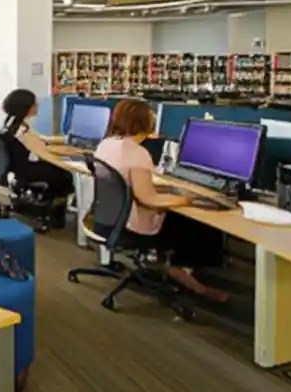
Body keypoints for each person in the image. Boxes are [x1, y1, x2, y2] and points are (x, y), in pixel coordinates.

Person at [94, 99, 228, 301]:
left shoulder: (106, 144)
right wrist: (186, 200)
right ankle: (185, 276)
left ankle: (179, 270)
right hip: (131, 227)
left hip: (107, 220)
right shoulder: (137, 153)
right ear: (144, 123)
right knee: (194, 220)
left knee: (181, 214)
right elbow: (149, 200)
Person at [0, 89, 74, 196]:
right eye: (34, 103)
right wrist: (66, 162)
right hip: (26, 169)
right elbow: (43, 153)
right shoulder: (21, 130)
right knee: (63, 174)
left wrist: (67, 139)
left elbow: (41, 139)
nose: (37, 105)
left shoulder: (12, 123)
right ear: (25, 107)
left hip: (18, 167)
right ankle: (55, 206)